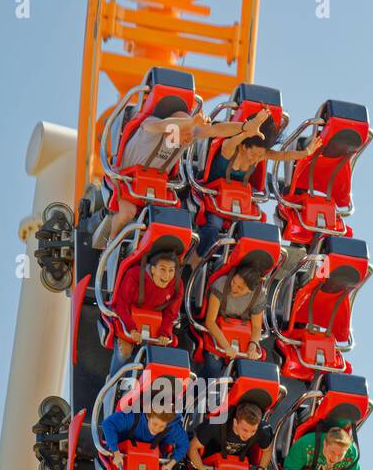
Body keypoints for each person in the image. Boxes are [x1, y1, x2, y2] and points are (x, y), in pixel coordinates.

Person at [94, 99, 271, 248]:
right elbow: (162, 125)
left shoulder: (181, 136)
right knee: (127, 213)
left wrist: (246, 127)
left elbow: (216, 130)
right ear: (175, 127)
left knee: (175, 223)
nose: (189, 139)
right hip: (127, 182)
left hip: (156, 188)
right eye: (185, 132)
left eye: (189, 134)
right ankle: (110, 244)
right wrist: (190, 123)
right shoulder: (150, 125)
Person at [193, 113, 323, 259]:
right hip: (213, 199)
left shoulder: (259, 155)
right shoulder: (229, 148)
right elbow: (232, 141)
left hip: (238, 204)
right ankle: (198, 259)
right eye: (253, 153)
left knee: (253, 231)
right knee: (214, 225)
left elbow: (283, 156)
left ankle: (233, 261)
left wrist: (306, 152)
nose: (256, 158)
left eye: (259, 155)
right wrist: (247, 131)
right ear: (243, 146)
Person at [107, 250, 183, 380]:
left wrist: (164, 333)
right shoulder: (135, 275)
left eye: (171, 270)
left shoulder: (177, 284)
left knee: (153, 357)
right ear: (153, 269)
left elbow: (171, 313)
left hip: (152, 324)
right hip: (127, 318)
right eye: (162, 269)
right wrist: (131, 328)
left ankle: (131, 384)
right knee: (124, 353)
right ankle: (112, 381)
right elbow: (122, 305)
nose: (167, 275)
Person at [201, 263, 267, 381]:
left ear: (250, 290)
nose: (234, 288)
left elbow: (257, 326)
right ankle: (198, 392)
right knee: (213, 366)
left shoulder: (258, 294)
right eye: (234, 282)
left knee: (247, 370)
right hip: (218, 330)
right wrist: (226, 347)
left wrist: (252, 346)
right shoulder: (222, 284)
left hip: (242, 334)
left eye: (240, 288)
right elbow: (210, 321)